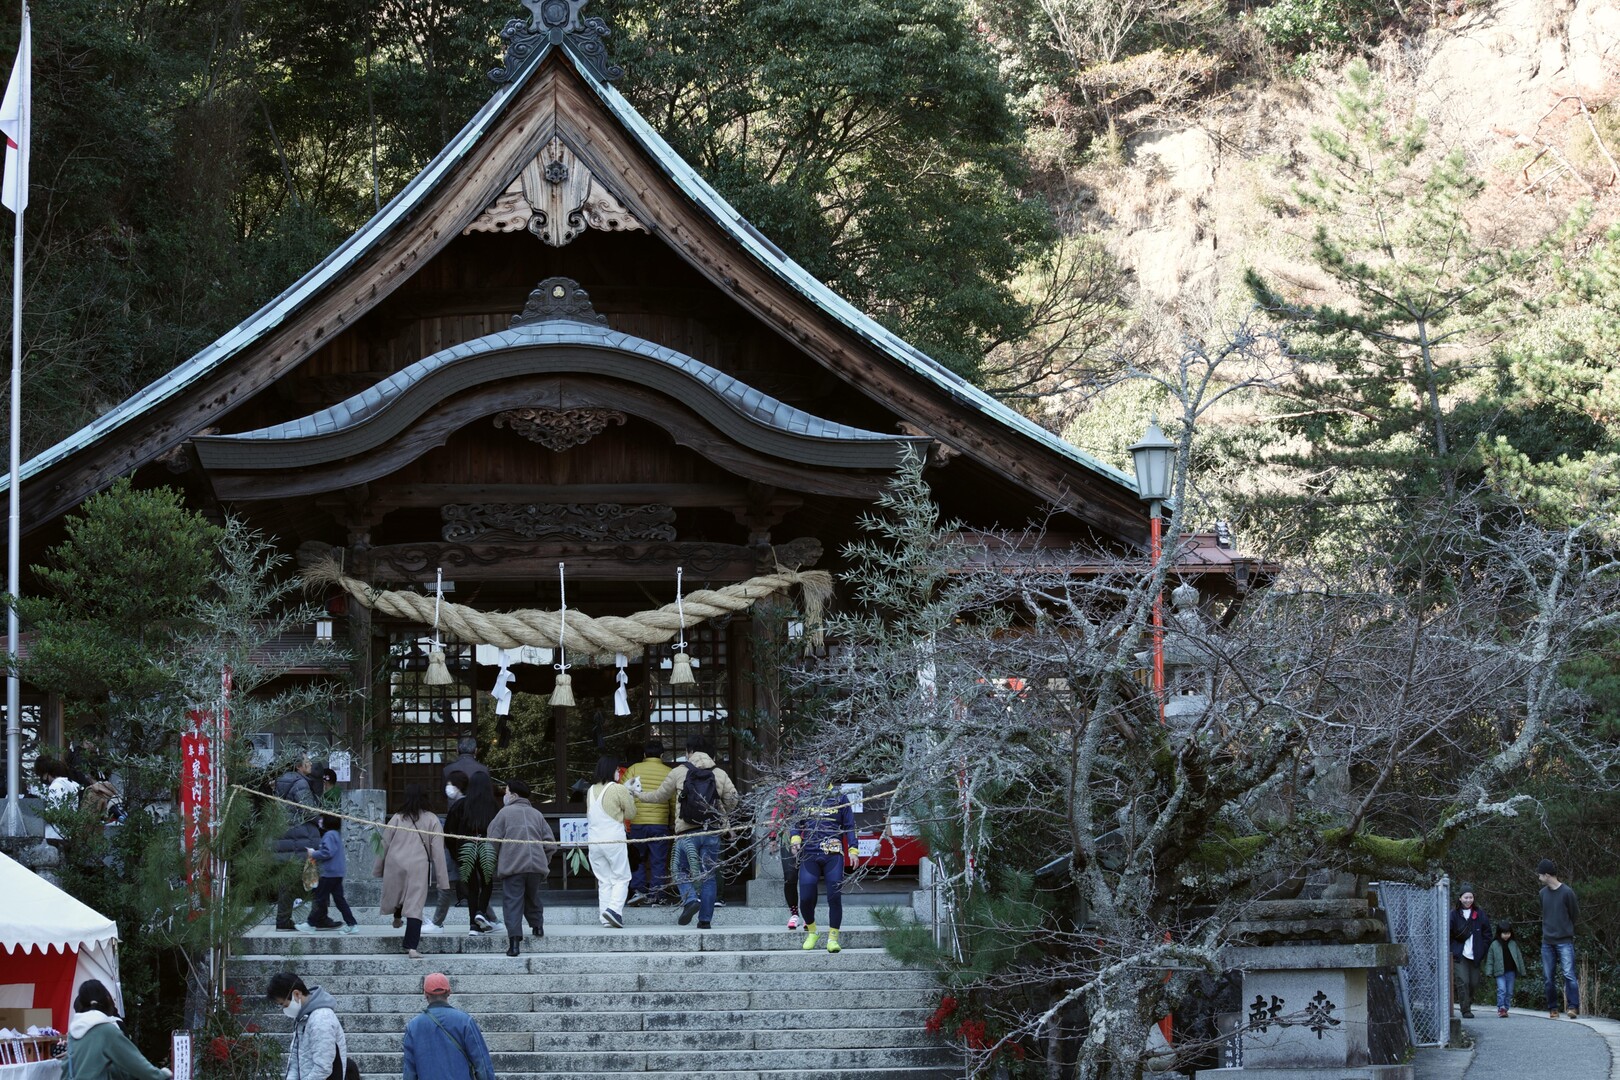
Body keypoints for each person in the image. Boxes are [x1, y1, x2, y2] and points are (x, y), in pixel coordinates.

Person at [634, 734, 738, 929]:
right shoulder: (719, 773)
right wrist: (721, 814)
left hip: (686, 832)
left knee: (679, 869)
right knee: (708, 875)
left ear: (689, 752)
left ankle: (690, 899)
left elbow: (659, 796)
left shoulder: (680, 771)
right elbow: (733, 799)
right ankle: (705, 921)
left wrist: (638, 795)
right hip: (712, 831)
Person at [789, 771, 860, 954]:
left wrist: (853, 849)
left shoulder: (840, 797)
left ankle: (833, 938)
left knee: (834, 897)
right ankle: (812, 932)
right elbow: (795, 823)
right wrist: (795, 839)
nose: (815, 781)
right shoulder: (804, 798)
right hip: (809, 854)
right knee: (805, 897)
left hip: (833, 855)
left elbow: (849, 826)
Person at [378, 783, 450, 960]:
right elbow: (438, 851)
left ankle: (396, 916)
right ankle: (411, 948)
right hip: (418, 865)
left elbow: (384, 843)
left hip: (395, 862)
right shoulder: (432, 819)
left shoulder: (397, 817)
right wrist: (442, 879)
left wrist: (378, 867)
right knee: (415, 904)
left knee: (398, 892)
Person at [488, 776, 554, 956]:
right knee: (532, 897)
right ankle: (537, 926)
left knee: (512, 901)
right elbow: (550, 844)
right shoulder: (537, 814)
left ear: (514, 795)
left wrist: (493, 862)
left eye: (507, 791)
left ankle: (514, 942)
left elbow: (492, 840)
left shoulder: (504, 813)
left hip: (513, 866)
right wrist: (544, 859)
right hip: (536, 867)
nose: (505, 795)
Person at [64, 979, 172, 1080]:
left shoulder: (73, 1032)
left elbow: (68, 1069)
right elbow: (134, 1063)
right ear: (107, 999)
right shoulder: (106, 1030)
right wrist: (161, 1075)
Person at [401, 972, 495, 1080]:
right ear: (449, 992)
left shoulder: (413, 1026)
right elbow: (482, 1064)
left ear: (425, 994)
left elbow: (409, 1072)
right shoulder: (465, 1021)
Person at [444, 770, 501, 936]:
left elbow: (449, 831)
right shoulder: (493, 806)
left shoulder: (461, 805)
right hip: (487, 848)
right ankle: (481, 913)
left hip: (465, 848)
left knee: (472, 888)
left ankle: (473, 926)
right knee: (487, 883)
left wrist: (455, 853)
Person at [265, 972, 349, 1080]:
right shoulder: (303, 1017)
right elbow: (295, 1059)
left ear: (296, 994)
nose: (284, 1009)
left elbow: (323, 1068)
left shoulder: (321, 1019)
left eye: (285, 1005)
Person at [272, 754, 322, 932]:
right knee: (318, 877)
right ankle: (318, 917)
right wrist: (321, 819)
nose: (310, 764)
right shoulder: (300, 783)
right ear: (299, 767)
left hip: (285, 837)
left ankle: (283, 919)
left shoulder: (280, 783)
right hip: (301, 838)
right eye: (307, 762)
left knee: (287, 882)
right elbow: (309, 810)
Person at [586, 754, 637, 928]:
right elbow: (631, 814)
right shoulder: (618, 789)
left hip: (594, 841)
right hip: (613, 839)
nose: (619, 773)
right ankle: (614, 911)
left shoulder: (590, 790)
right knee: (622, 877)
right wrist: (630, 797)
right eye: (617, 769)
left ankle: (604, 916)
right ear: (611, 770)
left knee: (604, 880)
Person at [623, 740, 674, 906]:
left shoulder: (634, 769)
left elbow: (622, 792)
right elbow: (674, 800)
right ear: (662, 755)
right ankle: (657, 895)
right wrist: (672, 821)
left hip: (637, 821)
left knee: (638, 858)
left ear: (644, 755)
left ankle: (638, 891)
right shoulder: (669, 772)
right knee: (658, 859)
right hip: (660, 823)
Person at [300, 813, 359, 935]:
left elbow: (327, 852)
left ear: (328, 822)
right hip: (337, 873)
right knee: (339, 900)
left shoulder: (328, 835)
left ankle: (310, 924)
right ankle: (351, 924)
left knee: (319, 899)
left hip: (328, 873)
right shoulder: (336, 834)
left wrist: (313, 853)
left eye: (322, 819)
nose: (320, 821)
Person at [767, 769, 810, 930]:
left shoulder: (813, 791)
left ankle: (808, 915)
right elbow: (776, 814)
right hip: (787, 837)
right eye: (795, 774)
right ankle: (794, 913)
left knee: (808, 878)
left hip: (809, 838)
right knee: (790, 876)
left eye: (801, 773)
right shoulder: (784, 792)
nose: (798, 777)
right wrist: (773, 837)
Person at [1538, 858, 1580, 1019]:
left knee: (1569, 974)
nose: (1539, 878)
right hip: (1547, 942)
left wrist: (1565, 929)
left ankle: (1573, 1007)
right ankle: (1553, 1008)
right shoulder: (1542, 894)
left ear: (1547, 875)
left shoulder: (1567, 892)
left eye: (1540, 874)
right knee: (1548, 977)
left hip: (1564, 941)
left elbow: (1574, 914)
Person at [1448, 884, 1490, 1018]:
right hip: (1460, 955)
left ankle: (1468, 1003)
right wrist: (1453, 949)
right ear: (1460, 898)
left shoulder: (1479, 914)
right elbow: (1448, 934)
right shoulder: (1453, 915)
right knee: (1463, 981)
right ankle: (1465, 1009)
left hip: (1475, 955)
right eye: (1466, 897)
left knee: (1474, 983)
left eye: (1471, 897)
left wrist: (1482, 949)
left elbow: (1487, 934)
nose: (1468, 900)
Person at [1483, 920, 1525, 1019]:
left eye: (1508, 933)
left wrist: (1522, 971)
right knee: (1502, 989)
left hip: (1511, 971)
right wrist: (1489, 971)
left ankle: (1506, 1008)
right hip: (1499, 972)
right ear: (1499, 933)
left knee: (1509, 991)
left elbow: (1519, 958)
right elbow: (1490, 959)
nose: (1506, 935)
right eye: (1504, 933)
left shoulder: (1513, 944)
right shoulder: (1494, 944)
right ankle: (1501, 1008)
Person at [36, 757, 82, 848]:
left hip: (54, 834)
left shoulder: (56, 786)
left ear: (46, 773)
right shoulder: (71, 785)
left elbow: (53, 812)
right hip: (67, 833)